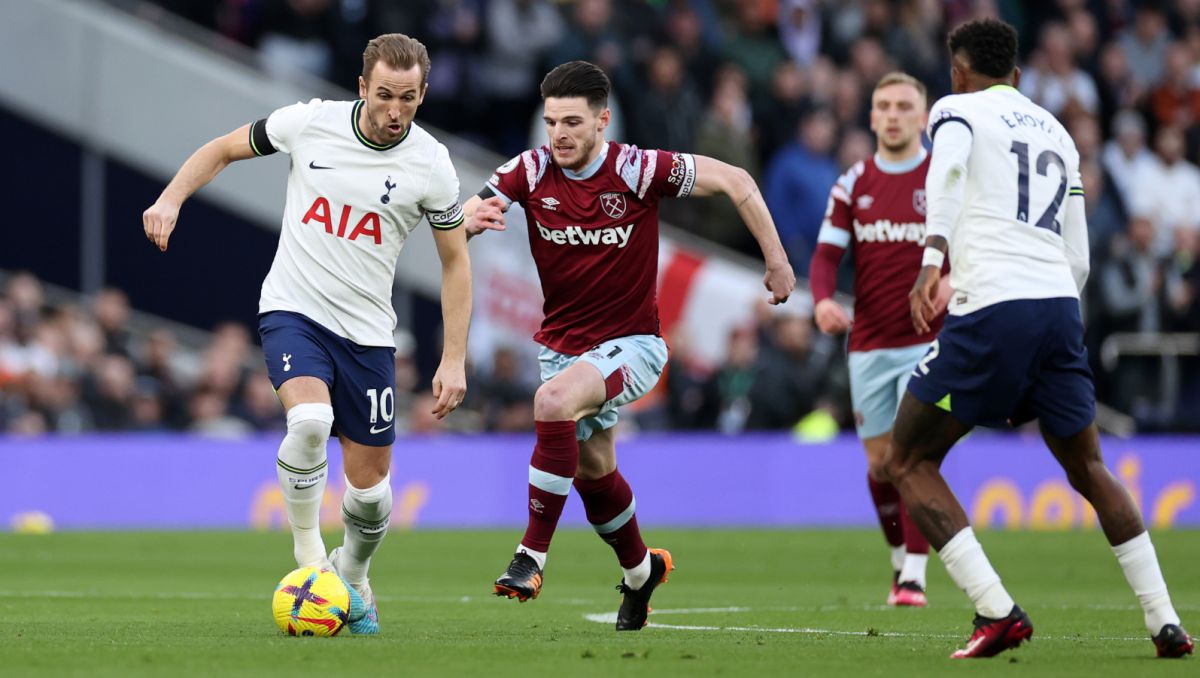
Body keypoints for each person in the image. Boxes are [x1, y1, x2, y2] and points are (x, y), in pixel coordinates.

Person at [141, 33, 472, 635]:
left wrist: (453, 358)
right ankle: (309, 561)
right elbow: (222, 148)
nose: (394, 111)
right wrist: (170, 199)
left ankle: (353, 576)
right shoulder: (309, 123)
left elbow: (455, 262)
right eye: (384, 96)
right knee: (311, 423)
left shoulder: (432, 164)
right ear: (362, 87)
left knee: (370, 496)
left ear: (423, 94)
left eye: (408, 98)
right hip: (293, 310)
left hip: (369, 336)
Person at [890, 18, 1193, 659]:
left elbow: (943, 179)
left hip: (994, 308)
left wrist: (931, 261)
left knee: (908, 460)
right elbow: (1078, 255)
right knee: (1088, 466)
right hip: (1059, 307)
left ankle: (996, 610)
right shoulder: (1057, 130)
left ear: (958, 73)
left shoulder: (956, 110)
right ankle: (1165, 621)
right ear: (1020, 76)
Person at [463, 61, 794, 631]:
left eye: (572, 122)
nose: (559, 134)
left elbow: (737, 180)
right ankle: (642, 572)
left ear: (602, 121)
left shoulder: (639, 169)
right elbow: (474, 208)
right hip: (564, 349)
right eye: (551, 122)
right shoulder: (531, 169)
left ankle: (530, 557)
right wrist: (467, 216)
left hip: (633, 345)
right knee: (594, 476)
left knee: (550, 404)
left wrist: (778, 259)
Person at [809, 72, 948, 608]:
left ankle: (914, 574)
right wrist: (823, 299)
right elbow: (826, 256)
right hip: (868, 342)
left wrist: (954, 279)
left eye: (903, 106)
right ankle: (900, 560)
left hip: (929, 341)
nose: (892, 115)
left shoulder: (942, 178)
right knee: (881, 466)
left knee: (916, 458)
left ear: (922, 116)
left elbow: (975, 242)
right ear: (870, 117)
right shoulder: (853, 182)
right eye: (883, 106)